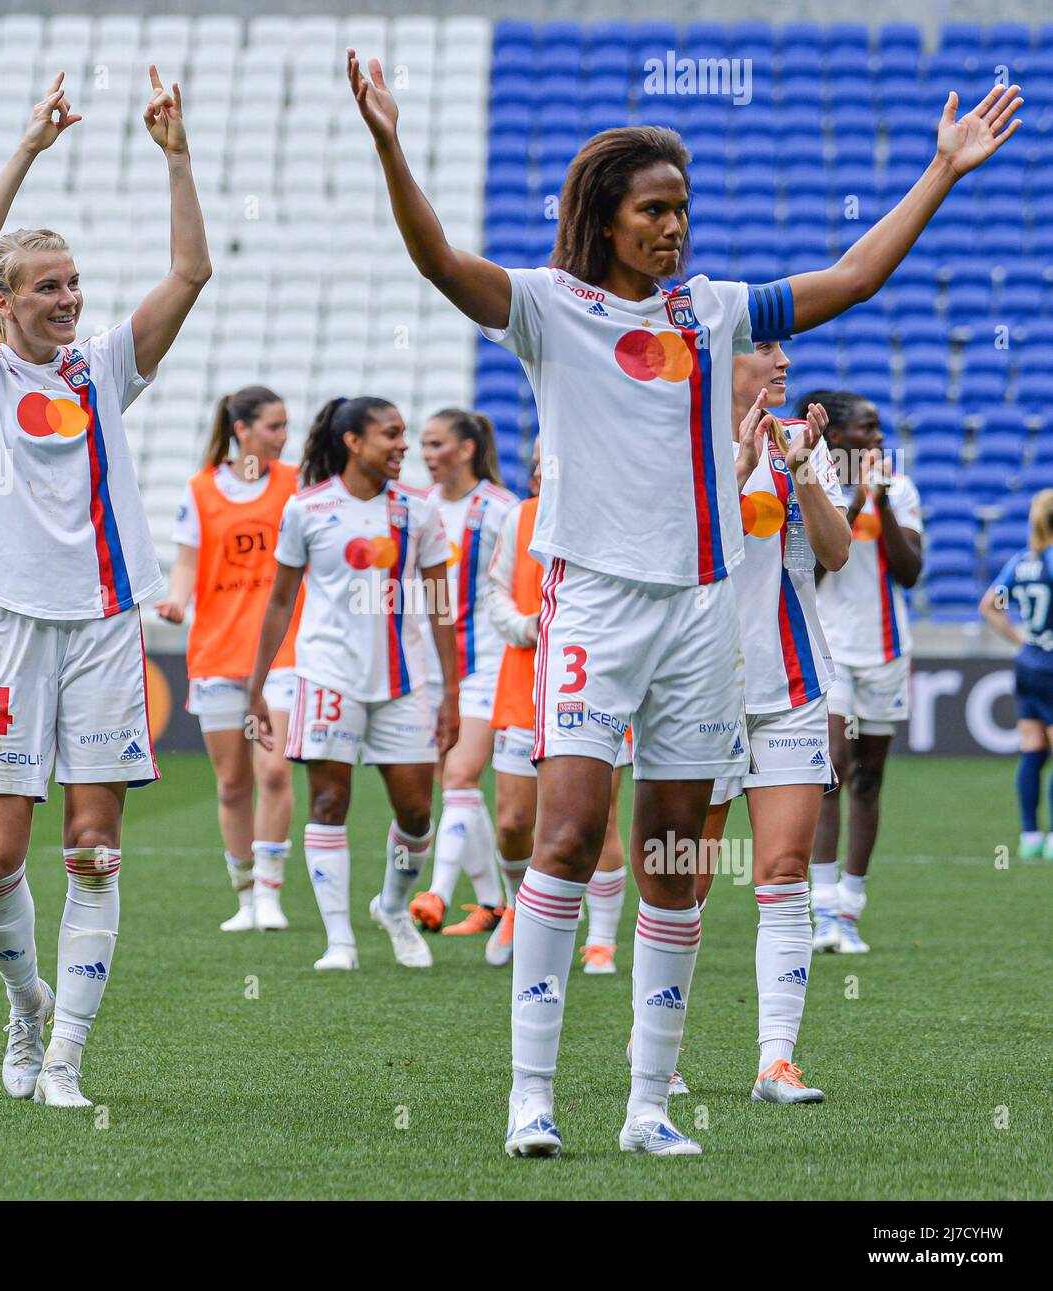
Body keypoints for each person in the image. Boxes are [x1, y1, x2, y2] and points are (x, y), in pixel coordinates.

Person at [348, 46, 1019, 1155]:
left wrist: (941, 171)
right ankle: (531, 1097)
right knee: (564, 839)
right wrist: (388, 143)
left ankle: (648, 1104)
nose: (674, 227)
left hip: (705, 620)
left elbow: (851, 281)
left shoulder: (714, 312)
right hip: (596, 610)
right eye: (654, 210)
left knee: (672, 856)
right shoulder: (547, 308)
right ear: (605, 218)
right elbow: (437, 262)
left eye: (683, 209)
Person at [0, 69, 211, 1107]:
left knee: (93, 850)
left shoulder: (101, 369)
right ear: (5, 302)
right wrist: (28, 150)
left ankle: (65, 1061)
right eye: (47, 286)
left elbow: (190, 272)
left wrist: (176, 155)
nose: (69, 300)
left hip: (104, 624)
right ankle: (23, 1005)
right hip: (8, 625)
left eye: (74, 283)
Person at [246, 397, 459, 970]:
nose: (403, 445)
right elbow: (281, 600)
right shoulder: (307, 509)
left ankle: (391, 907)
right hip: (328, 676)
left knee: (416, 814)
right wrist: (257, 683)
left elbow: (441, 605)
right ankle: (339, 940)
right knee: (329, 801)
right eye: (391, 434)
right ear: (354, 442)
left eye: (404, 434)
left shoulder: (420, 510)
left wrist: (450, 694)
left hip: (405, 682)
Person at [694, 344, 851, 1105]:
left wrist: (804, 469)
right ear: (725, 357)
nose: (783, 358)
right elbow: (679, 536)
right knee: (684, 877)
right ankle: (651, 1042)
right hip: (696, 687)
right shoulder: (674, 431)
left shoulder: (796, 443)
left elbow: (836, 552)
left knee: (784, 872)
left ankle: (775, 1062)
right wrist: (736, 454)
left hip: (790, 684)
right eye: (763, 345)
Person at [156, 386, 304, 931]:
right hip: (218, 653)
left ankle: (270, 892)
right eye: (274, 426)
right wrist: (177, 600)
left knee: (273, 769)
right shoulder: (200, 490)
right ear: (241, 429)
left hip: (282, 653)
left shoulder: (294, 485)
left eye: (286, 426)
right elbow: (187, 564)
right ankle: (244, 896)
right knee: (232, 783)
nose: (283, 436)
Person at [486, 440, 632, 974]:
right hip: (523, 686)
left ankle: (601, 939)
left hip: (597, 687)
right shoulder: (517, 520)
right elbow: (495, 591)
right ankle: (516, 907)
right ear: (534, 478)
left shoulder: (615, 517)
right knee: (513, 820)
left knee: (601, 819)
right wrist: (525, 627)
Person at [808, 391, 923, 954]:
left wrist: (884, 500)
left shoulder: (900, 488)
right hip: (830, 650)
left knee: (869, 780)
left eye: (879, 429)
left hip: (885, 653)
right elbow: (822, 567)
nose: (878, 438)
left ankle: (851, 907)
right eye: (868, 428)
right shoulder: (818, 483)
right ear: (839, 436)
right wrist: (855, 501)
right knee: (830, 768)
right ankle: (822, 906)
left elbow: (910, 573)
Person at [408, 408, 518, 936]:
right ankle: (494, 904)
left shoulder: (501, 510)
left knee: (459, 774)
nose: (427, 455)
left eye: (436, 444)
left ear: (467, 449)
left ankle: (437, 891)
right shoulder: (417, 507)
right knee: (453, 787)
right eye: (423, 446)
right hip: (429, 667)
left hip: (488, 663)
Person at [980, 489, 1053, 859]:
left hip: (1028, 662)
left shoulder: (1024, 560)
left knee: (1032, 749)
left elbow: (990, 605)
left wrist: (1020, 638)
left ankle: (1029, 837)